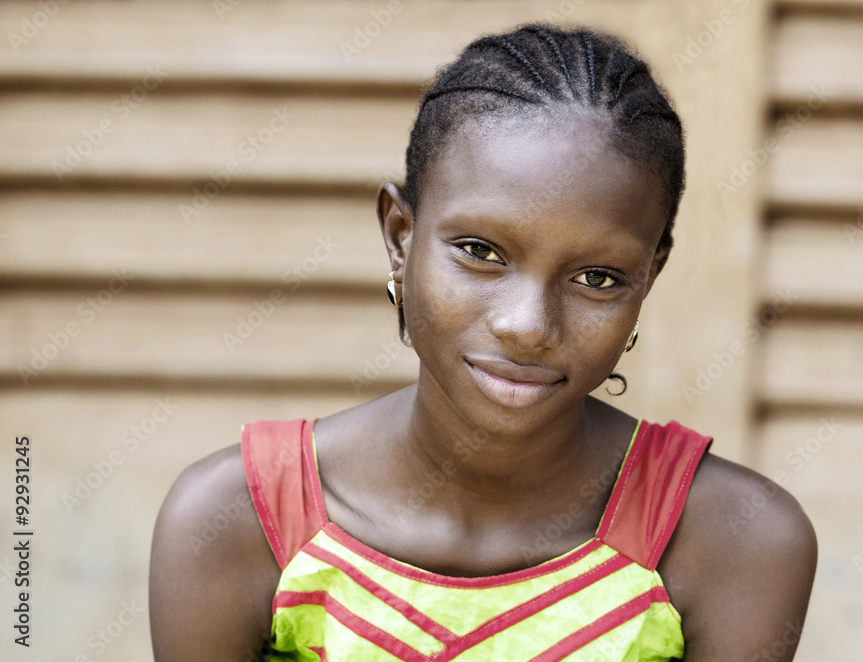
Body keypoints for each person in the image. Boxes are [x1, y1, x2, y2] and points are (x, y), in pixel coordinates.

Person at [149, 21, 816, 661]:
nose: (527, 325)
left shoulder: (733, 540)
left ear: (648, 278)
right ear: (400, 236)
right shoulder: (241, 520)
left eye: (597, 278)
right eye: (480, 251)